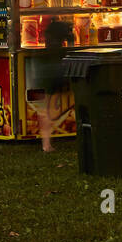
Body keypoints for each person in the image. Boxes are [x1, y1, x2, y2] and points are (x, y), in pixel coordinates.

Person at [34, 19, 75, 152]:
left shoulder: (49, 34)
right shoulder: (61, 36)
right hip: (59, 71)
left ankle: (46, 144)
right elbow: (71, 47)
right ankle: (47, 144)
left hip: (46, 71)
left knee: (45, 110)